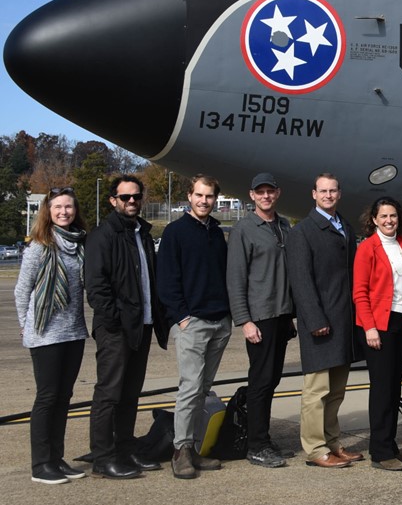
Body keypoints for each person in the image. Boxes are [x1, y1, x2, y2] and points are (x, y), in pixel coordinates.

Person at [85, 175, 169, 480]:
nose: (131, 201)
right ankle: (102, 456)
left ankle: (124, 448)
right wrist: (114, 321)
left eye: (136, 196)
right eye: (125, 197)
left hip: (142, 325)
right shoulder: (102, 235)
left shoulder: (142, 234)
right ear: (113, 201)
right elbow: (96, 287)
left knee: (130, 392)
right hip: (117, 329)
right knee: (108, 393)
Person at [157, 174, 231, 479]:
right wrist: (182, 317)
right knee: (189, 387)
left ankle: (195, 449)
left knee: (202, 388)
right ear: (189, 196)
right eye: (199, 195)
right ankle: (181, 450)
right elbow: (166, 281)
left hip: (219, 322)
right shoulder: (175, 232)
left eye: (210, 196)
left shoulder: (217, 233)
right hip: (193, 323)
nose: (204, 201)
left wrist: (227, 316)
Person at [286, 173, 362, 469]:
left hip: (343, 321)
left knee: (336, 390)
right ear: (313, 194)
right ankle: (315, 448)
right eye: (323, 191)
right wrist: (315, 318)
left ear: (339, 194)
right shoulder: (303, 231)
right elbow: (301, 281)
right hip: (320, 323)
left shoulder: (345, 226)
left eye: (333, 191)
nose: (328, 195)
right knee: (316, 390)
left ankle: (332, 442)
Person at [15, 187, 88, 485]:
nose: (63, 212)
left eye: (68, 207)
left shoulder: (80, 244)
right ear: (48, 211)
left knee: (64, 397)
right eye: (57, 207)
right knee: (47, 398)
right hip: (45, 333)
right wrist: (25, 326)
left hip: (73, 331)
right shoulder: (40, 245)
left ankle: (57, 459)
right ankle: (41, 464)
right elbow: (22, 290)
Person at [226, 172, 295, 469]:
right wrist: (245, 320)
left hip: (280, 315)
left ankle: (263, 436)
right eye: (260, 192)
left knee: (273, 379)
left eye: (270, 191)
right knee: (261, 380)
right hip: (260, 316)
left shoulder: (284, 226)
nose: (266, 196)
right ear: (252, 196)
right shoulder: (244, 229)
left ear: (277, 193)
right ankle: (256, 444)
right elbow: (235, 278)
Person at [353, 197, 402, 471]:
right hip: (379, 324)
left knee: (394, 387)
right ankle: (380, 452)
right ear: (374, 220)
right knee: (381, 389)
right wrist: (369, 327)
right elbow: (360, 292)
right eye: (383, 217)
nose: (389, 221)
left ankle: (390, 444)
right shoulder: (368, 248)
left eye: (393, 216)